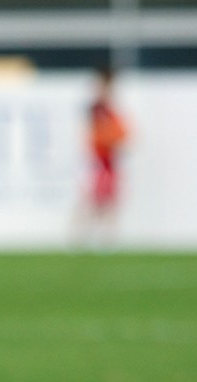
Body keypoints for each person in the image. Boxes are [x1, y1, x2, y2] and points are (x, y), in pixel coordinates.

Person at [73, 65, 129, 250]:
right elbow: (96, 136)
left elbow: (123, 134)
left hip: (107, 161)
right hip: (97, 161)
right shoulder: (97, 109)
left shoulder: (109, 111)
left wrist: (111, 138)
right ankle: (81, 237)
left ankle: (104, 239)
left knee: (107, 202)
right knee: (91, 201)